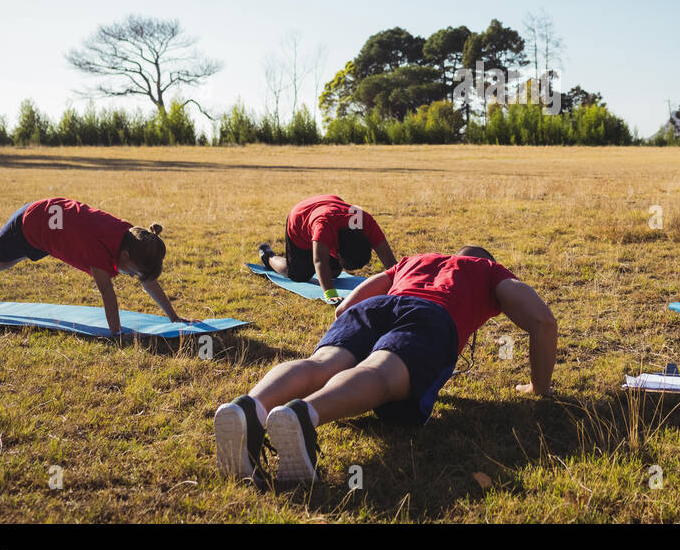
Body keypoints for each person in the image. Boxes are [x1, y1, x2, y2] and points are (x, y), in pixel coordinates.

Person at [215, 245, 556, 483]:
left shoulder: (416, 260)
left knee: (321, 363)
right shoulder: (487, 270)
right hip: (430, 318)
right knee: (378, 374)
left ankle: (250, 406)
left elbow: (343, 307)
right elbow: (543, 321)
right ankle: (304, 416)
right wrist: (539, 387)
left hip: (375, 307)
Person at [0, 197, 187, 335]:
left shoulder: (131, 237)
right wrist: (116, 335)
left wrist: (173, 316)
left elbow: (147, 279)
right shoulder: (100, 250)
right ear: (125, 256)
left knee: (3, 262)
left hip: (45, 229)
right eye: (132, 273)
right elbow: (107, 294)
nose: (131, 277)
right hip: (30, 224)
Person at [257, 194, 397, 301]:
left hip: (326, 207)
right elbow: (319, 262)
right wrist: (330, 294)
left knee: (334, 273)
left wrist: (402, 284)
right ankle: (268, 256)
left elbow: (390, 262)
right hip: (300, 219)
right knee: (298, 275)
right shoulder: (324, 227)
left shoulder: (366, 221)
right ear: (336, 250)